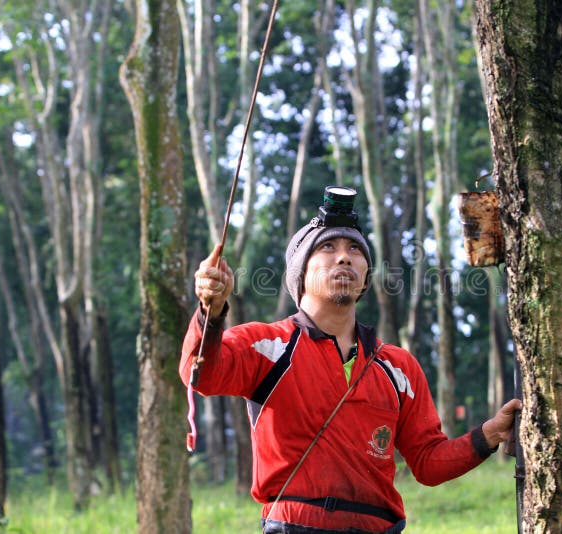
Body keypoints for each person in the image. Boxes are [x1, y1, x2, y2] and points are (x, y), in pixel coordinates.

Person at [180, 186, 522, 534]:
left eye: (355, 249)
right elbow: (200, 375)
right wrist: (213, 311)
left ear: (365, 276)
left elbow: (427, 463)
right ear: (301, 271)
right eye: (328, 247)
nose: (344, 257)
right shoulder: (267, 344)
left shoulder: (398, 366)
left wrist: (489, 434)